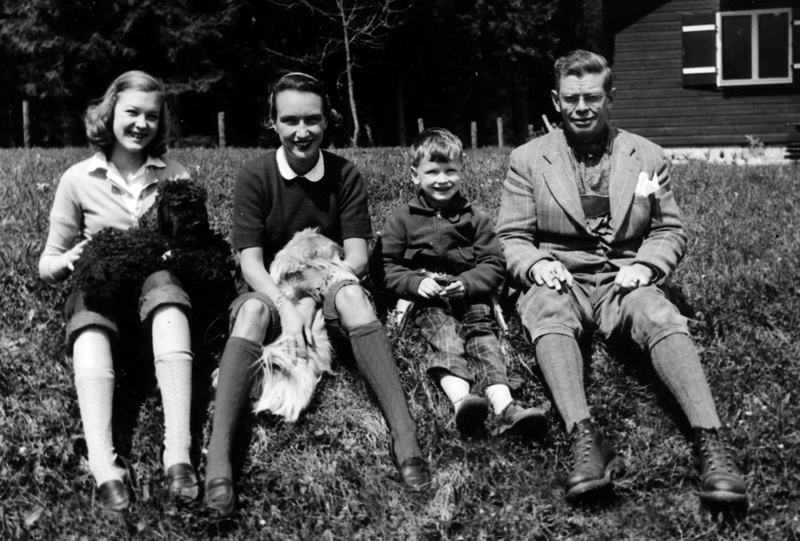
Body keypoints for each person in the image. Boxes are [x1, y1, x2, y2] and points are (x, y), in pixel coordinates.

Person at [496, 50, 748, 505]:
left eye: (592, 97)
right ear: (556, 100)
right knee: (544, 307)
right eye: (571, 98)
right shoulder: (527, 159)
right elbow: (512, 236)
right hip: (562, 279)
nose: (581, 108)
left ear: (611, 98)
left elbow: (669, 229)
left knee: (658, 311)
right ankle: (585, 440)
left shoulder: (646, 156)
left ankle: (712, 444)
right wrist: (534, 265)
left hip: (624, 279)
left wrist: (647, 266)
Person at [203, 71, 431, 520]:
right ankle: (218, 462)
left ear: (327, 122)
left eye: (312, 120)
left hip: (328, 277)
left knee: (354, 299)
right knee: (250, 312)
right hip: (270, 285)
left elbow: (359, 258)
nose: (301, 132)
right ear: (274, 122)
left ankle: (405, 440)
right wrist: (287, 306)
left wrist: (313, 295)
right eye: (290, 120)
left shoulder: (345, 173)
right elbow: (250, 263)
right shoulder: (255, 175)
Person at [38, 71, 199, 512]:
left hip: (155, 292)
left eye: (151, 116)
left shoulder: (175, 175)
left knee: (167, 289)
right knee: (89, 318)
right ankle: (104, 465)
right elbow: (46, 263)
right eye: (131, 112)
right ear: (110, 114)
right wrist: (71, 259)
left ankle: (178, 453)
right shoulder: (78, 178)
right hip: (102, 284)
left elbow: (192, 245)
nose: (141, 124)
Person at [378, 127, 548, 438]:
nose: (442, 179)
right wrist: (415, 283)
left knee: (483, 339)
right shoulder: (401, 221)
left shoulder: (475, 218)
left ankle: (505, 407)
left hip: (471, 297)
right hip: (428, 301)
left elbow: (494, 264)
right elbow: (388, 268)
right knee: (447, 340)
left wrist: (468, 283)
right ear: (415, 175)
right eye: (432, 172)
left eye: (450, 171)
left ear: (462, 171)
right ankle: (463, 402)